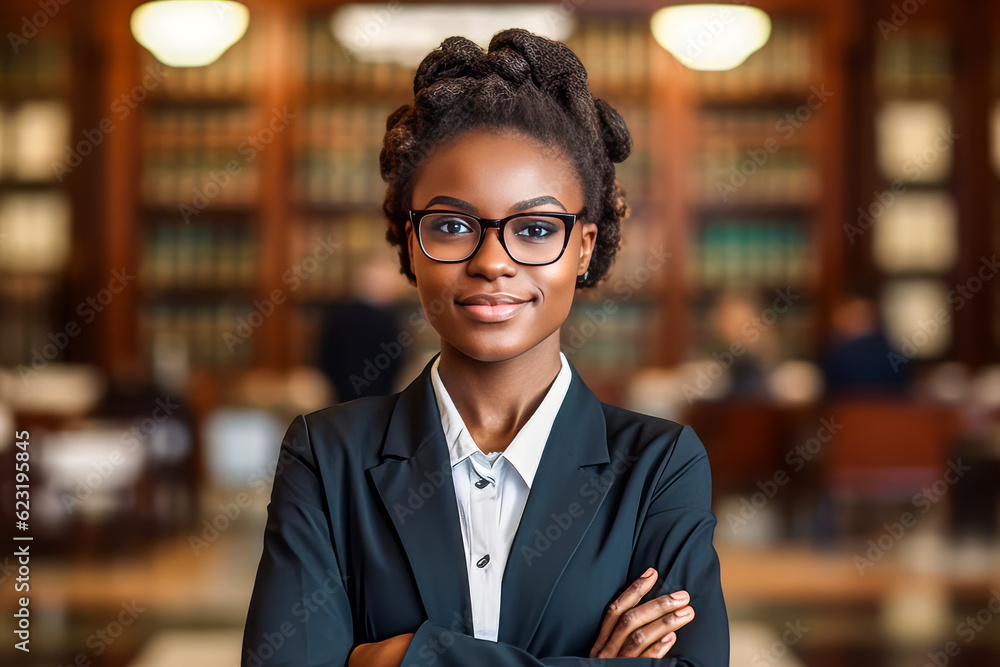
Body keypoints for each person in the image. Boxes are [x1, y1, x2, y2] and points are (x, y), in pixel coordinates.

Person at [242, 28, 728, 666]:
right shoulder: (326, 455)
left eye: (534, 229)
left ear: (583, 247)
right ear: (408, 242)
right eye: (450, 225)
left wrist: (399, 659)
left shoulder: (660, 465)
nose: (493, 262)